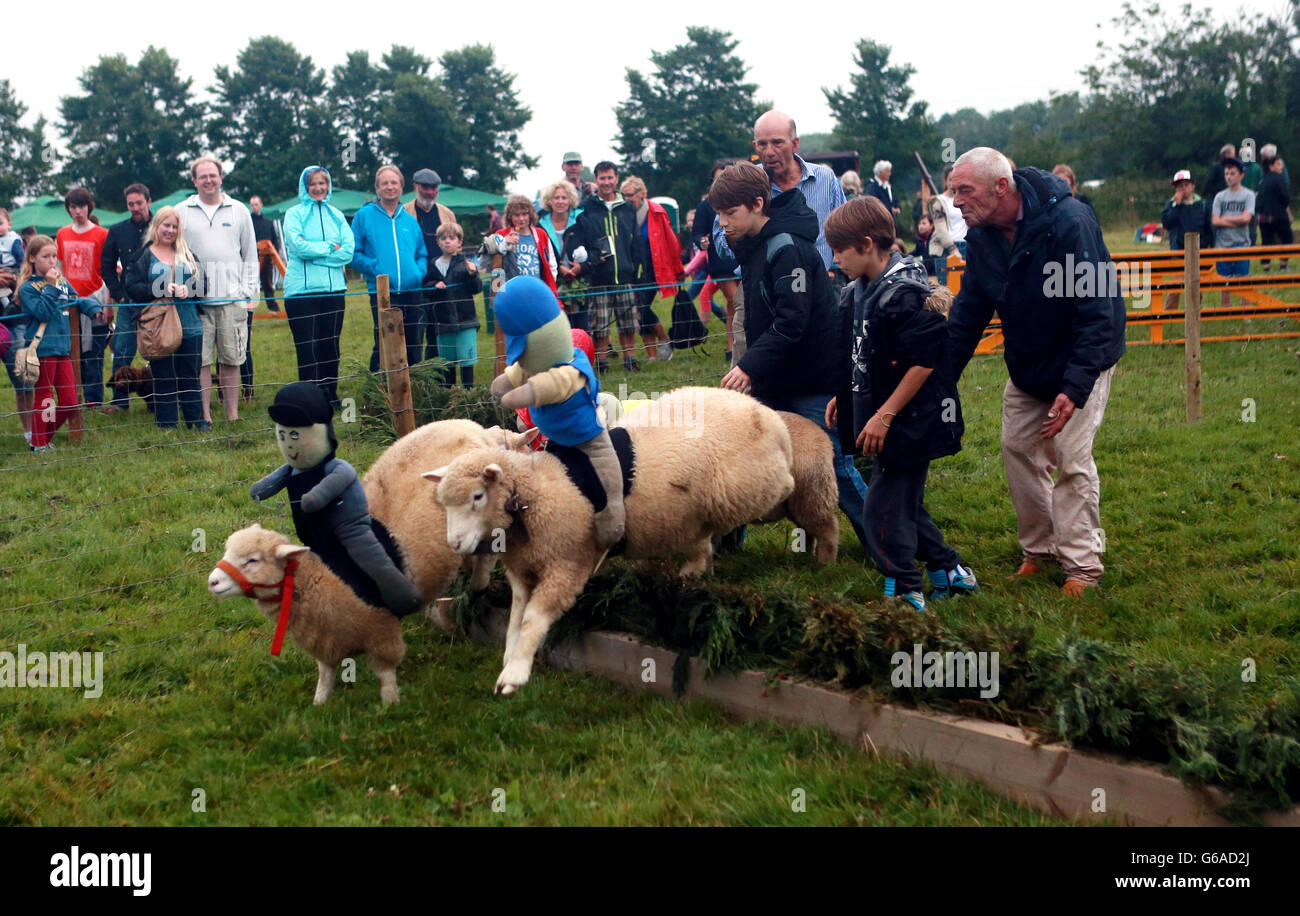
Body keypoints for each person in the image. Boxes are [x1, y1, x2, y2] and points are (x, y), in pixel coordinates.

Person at [946, 147, 1126, 596]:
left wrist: (1076, 384)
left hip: (1082, 359)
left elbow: (1099, 310)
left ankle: (1082, 567)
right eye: (954, 192)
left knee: (1071, 457)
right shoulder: (983, 236)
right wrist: (939, 379)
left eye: (964, 191)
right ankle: (1041, 549)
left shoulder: (1069, 223)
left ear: (1001, 187)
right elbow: (969, 313)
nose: (955, 202)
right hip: (1029, 367)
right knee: (1018, 448)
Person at [825, 195, 973, 611]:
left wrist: (885, 415)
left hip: (912, 421)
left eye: (839, 250)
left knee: (881, 509)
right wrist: (843, 395)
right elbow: (858, 352)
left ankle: (905, 588)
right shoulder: (860, 290)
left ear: (868, 243)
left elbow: (925, 359)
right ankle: (948, 571)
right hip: (884, 416)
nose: (834, 259)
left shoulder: (902, 293)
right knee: (901, 501)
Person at [711, 162, 869, 549]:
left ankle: (891, 543)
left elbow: (792, 322)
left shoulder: (787, 249)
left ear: (758, 204)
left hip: (811, 378)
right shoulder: (752, 245)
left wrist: (748, 366)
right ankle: (725, 546)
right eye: (718, 214)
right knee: (743, 453)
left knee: (833, 464)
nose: (723, 223)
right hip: (775, 377)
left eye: (730, 213)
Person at [179, 156, 257, 423]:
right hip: (196, 301)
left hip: (232, 299)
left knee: (232, 358)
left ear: (221, 178)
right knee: (201, 361)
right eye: (203, 176)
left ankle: (232, 415)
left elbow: (250, 253)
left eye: (213, 175)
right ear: (194, 181)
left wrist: (248, 292)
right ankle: (205, 416)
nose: (209, 180)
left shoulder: (239, 210)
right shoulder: (182, 210)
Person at [17, 235, 105, 451]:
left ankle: (44, 438)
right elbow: (43, 313)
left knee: (69, 399)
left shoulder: (62, 282)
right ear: (32, 259)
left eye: (54, 256)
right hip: (43, 349)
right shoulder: (29, 288)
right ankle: (39, 444)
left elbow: (75, 300)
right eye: (45, 256)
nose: (52, 261)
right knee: (45, 397)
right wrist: (50, 286)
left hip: (63, 348)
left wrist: (91, 307)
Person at [124, 207, 205, 430]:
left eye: (174, 226)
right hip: (158, 328)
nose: (170, 230)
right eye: (166, 225)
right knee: (164, 378)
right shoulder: (143, 255)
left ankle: (197, 424)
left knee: (191, 377)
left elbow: (203, 283)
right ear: (156, 226)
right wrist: (157, 288)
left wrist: (190, 290)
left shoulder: (187, 254)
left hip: (190, 326)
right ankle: (167, 426)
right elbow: (131, 287)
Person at [283, 166, 355, 408]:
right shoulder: (294, 214)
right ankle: (309, 396)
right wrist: (328, 248)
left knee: (330, 345)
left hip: (333, 291)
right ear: (305, 186)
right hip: (301, 293)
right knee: (307, 347)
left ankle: (329, 393)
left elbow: (347, 251)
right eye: (313, 184)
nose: (318, 188)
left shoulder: (336, 214)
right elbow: (297, 246)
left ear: (329, 185)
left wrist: (314, 254)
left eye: (322, 183)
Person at [565, 161, 642, 373]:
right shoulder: (587, 209)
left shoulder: (627, 208)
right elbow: (577, 239)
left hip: (625, 274)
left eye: (610, 178)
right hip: (598, 275)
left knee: (628, 322)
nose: (606, 182)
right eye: (602, 178)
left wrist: (637, 267)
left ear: (617, 179)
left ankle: (630, 359)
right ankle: (602, 363)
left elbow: (634, 240)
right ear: (596, 180)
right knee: (601, 324)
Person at [350, 164, 427, 372]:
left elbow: (421, 254)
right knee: (385, 342)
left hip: (412, 292)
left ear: (401, 187)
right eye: (385, 183)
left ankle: (415, 389)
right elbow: (353, 253)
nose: (389, 187)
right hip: (382, 292)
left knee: (413, 344)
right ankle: (379, 389)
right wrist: (374, 268)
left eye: (394, 182)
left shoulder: (410, 221)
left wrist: (418, 273)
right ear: (377, 188)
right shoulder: (363, 217)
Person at [55, 188, 111, 409]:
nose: (78, 211)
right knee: (71, 351)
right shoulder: (62, 233)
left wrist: (108, 304)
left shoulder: (102, 234)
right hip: (69, 301)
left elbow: (108, 271)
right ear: (68, 209)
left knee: (95, 352)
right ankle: (72, 395)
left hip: (95, 297)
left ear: (89, 206)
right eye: (73, 207)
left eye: (81, 206)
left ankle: (94, 398)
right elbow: (59, 267)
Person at [102, 182, 152, 413]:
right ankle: (120, 402)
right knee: (122, 350)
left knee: (162, 348)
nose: (135, 208)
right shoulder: (117, 231)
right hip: (128, 301)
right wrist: (119, 295)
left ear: (148, 202)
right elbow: (107, 266)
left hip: (155, 299)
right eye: (130, 204)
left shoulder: (161, 226)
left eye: (139, 203)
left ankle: (166, 396)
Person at [403, 168, 459, 363]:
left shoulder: (447, 214)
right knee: (415, 336)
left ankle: (438, 381)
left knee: (440, 336)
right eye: (425, 187)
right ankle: (416, 379)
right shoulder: (404, 212)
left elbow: (455, 246)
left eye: (433, 188)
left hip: (442, 285)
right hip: (417, 283)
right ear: (415, 187)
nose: (429, 192)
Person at [621, 175, 677, 362]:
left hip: (654, 268)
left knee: (641, 307)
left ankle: (664, 340)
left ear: (642, 193)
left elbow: (670, 240)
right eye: (624, 195)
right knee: (638, 310)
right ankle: (652, 355)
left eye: (630, 195)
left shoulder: (656, 211)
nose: (627, 199)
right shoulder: (622, 214)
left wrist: (677, 267)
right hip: (632, 270)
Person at [693, 159, 741, 358]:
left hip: (744, 259)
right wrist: (702, 241)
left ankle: (742, 345)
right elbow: (696, 233)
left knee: (743, 304)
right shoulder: (705, 206)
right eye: (717, 178)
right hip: (721, 263)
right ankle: (732, 348)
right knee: (736, 303)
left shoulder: (743, 201)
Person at [426, 222, 482, 387]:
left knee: (466, 361)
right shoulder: (433, 264)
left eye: (451, 238)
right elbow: (426, 287)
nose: (447, 242)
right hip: (442, 323)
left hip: (466, 321)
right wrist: (433, 285)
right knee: (447, 363)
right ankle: (450, 396)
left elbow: (476, 288)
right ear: (438, 242)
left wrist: (473, 274)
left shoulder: (465, 264)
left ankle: (468, 396)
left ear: (460, 241)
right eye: (443, 238)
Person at [0, 208, 33, 443]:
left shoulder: (15, 243)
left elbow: (24, 271)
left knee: (23, 377)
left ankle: (31, 432)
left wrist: (13, 278)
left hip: (13, 319)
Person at [1159, 169, 1214, 311]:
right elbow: (1167, 223)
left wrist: (1209, 246)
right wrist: (1176, 206)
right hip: (1178, 251)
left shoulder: (1201, 205)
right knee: (1176, 286)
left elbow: (1209, 228)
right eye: (1179, 186)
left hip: (1198, 252)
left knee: (1196, 286)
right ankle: (1169, 314)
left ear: (1193, 185)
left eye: (1185, 185)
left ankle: (1195, 313)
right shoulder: (1171, 205)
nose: (1183, 189)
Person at [538, 179, 585, 330]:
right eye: (556, 197)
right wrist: (559, 269)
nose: (560, 201)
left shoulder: (581, 220)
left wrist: (581, 267)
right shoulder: (540, 225)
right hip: (552, 284)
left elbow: (593, 247)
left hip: (580, 282)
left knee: (582, 329)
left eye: (564, 197)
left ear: (570, 200)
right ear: (549, 201)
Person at [1211, 156, 1255, 307]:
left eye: (1232, 173)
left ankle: (1246, 312)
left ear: (1241, 175)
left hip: (1241, 243)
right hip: (1222, 245)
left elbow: (1246, 219)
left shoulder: (1248, 195)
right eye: (1227, 173)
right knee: (1224, 281)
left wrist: (1226, 219)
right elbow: (1215, 220)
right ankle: (1226, 312)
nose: (1229, 177)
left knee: (1243, 279)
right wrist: (1237, 220)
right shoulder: (1220, 196)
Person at [1256, 154, 1292, 272]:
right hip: (1279, 215)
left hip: (1263, 217)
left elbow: (1259, 199)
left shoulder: (1262, 180)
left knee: (1266, 241)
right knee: (1287, 239)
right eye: (1278, 164)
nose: (1281, 166)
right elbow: (1285, 198)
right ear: (1271, 166)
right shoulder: (1279, 178)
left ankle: (1266, 266)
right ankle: (1283, 265)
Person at [249, 194, 282, 314]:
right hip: (252, 258)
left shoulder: (268, 222)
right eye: (252, 205)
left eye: (256, 204)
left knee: (268, 283)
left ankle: (273, 308)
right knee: (250, 284)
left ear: (261, 205)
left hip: (267, 257)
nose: (254, 207)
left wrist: (275, 256)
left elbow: (274, 239)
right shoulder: (248, 221)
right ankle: (248, 311)